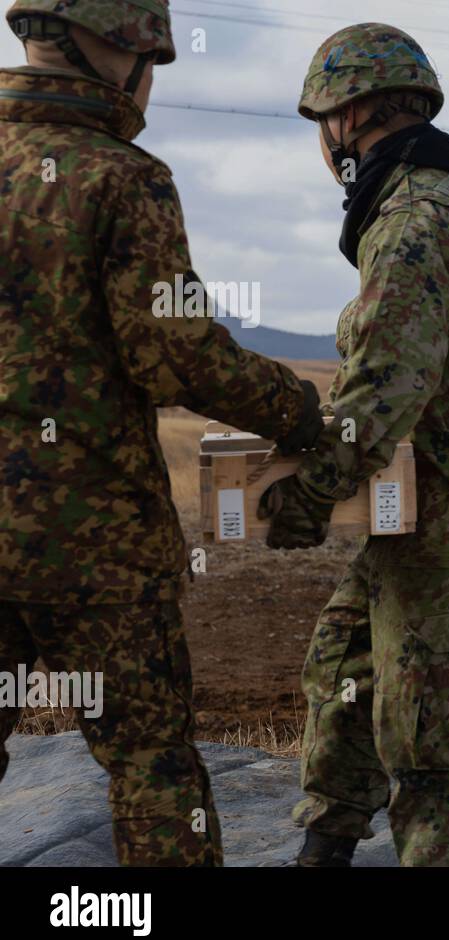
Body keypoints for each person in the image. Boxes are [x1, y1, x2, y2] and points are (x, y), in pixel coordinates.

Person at [0, 0, 323, 866]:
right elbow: (176, 356)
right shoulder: (121, 177)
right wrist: (301, 412)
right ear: (117, 46)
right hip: (93, 549)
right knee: (149, 765)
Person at [275, 23, 449, 866]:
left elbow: (386, 384)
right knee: (345, 672)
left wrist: (310, 489)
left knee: (437, 757)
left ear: (349, 117)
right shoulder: (433, 207)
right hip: (424, 528)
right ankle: (324, 850)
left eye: (324, 124)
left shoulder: (414, 221)